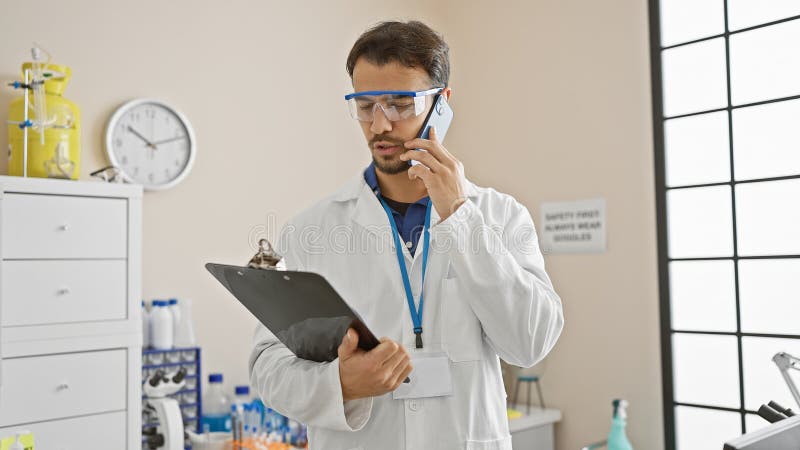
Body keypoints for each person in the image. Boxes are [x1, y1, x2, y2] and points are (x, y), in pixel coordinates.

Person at [249, 20, 564, 450]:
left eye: (399, 104)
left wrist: (458, 215)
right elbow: (267, 367)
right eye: (365, 105)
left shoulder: (500, 217)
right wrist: (339, 383)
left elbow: (530, 344)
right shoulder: (310, 231)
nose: (380, 125)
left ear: (441, 104)